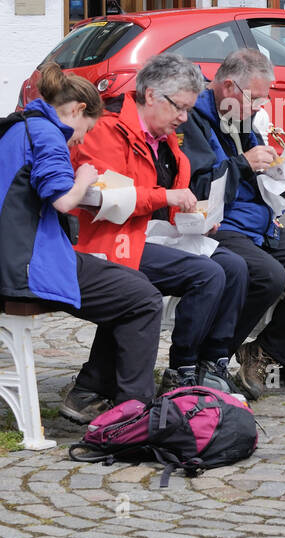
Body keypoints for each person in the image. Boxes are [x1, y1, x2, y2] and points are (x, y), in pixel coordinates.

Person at [0, 63, 164, 423]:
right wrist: (84, 178)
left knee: (133, 288)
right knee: (142, 298)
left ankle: (96, 395)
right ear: (77, 111)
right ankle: (132, 411)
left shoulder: (22, 128)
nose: (82, 141)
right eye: (84, 131)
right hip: (13, 266)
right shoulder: (46, 134)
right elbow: (63, 201)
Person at [71, 54, 248, 398]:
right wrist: (166, 197)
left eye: (188, 110)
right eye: (179, 108)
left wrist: (194, 221)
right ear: (150, 95)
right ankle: (180, 370)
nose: (183, 119)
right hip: (108, 242)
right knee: (206, 274)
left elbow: (163, 209)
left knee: (234, 266)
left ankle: (207, 364)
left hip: (148, 239)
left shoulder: (165, 140)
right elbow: (109, 202)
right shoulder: (107, 131)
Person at [178, 49, 285, 400]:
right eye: (255, 97)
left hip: (260, 223)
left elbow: (252, 171)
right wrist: (243, 163)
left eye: (264, 98)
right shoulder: (195, 118)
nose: (259, 106)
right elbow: (197, 185)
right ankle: (211, 359)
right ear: (228, 86)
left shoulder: (242, 118)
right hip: (219, 225)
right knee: (269, 275)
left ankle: (264, 353)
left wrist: (277, 171)